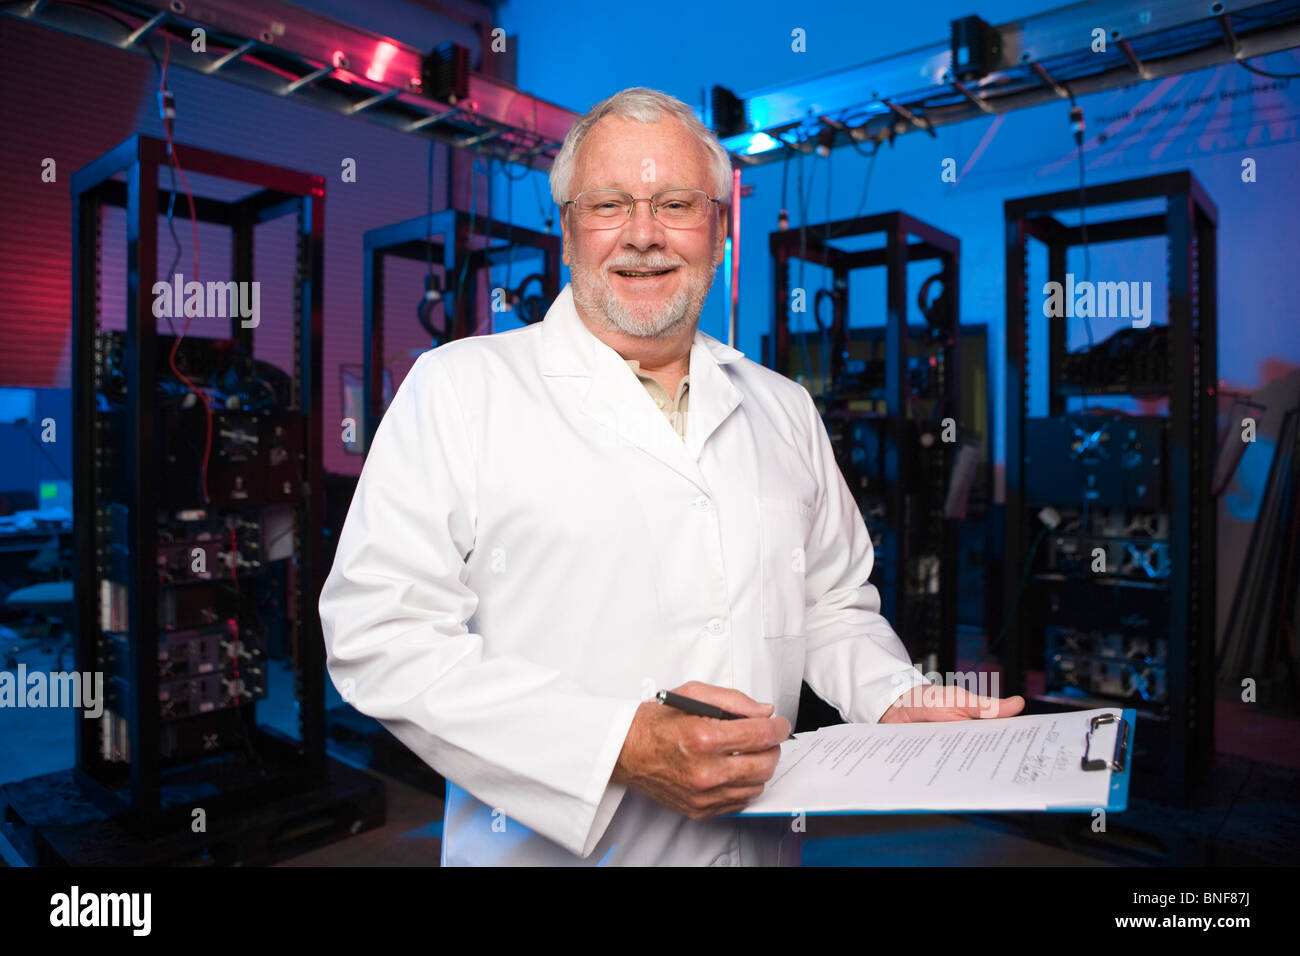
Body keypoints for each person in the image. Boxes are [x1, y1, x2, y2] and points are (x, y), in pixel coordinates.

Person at [318, 86, 1023, 866]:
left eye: (677, 203)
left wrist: (894, 697)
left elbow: (830, 606)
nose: (644, 236)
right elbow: (378, 637)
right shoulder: (459, 390)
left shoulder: (781, 407)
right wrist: (618, 744)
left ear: (719, 232)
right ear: (567, 232)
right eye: (610, 204)